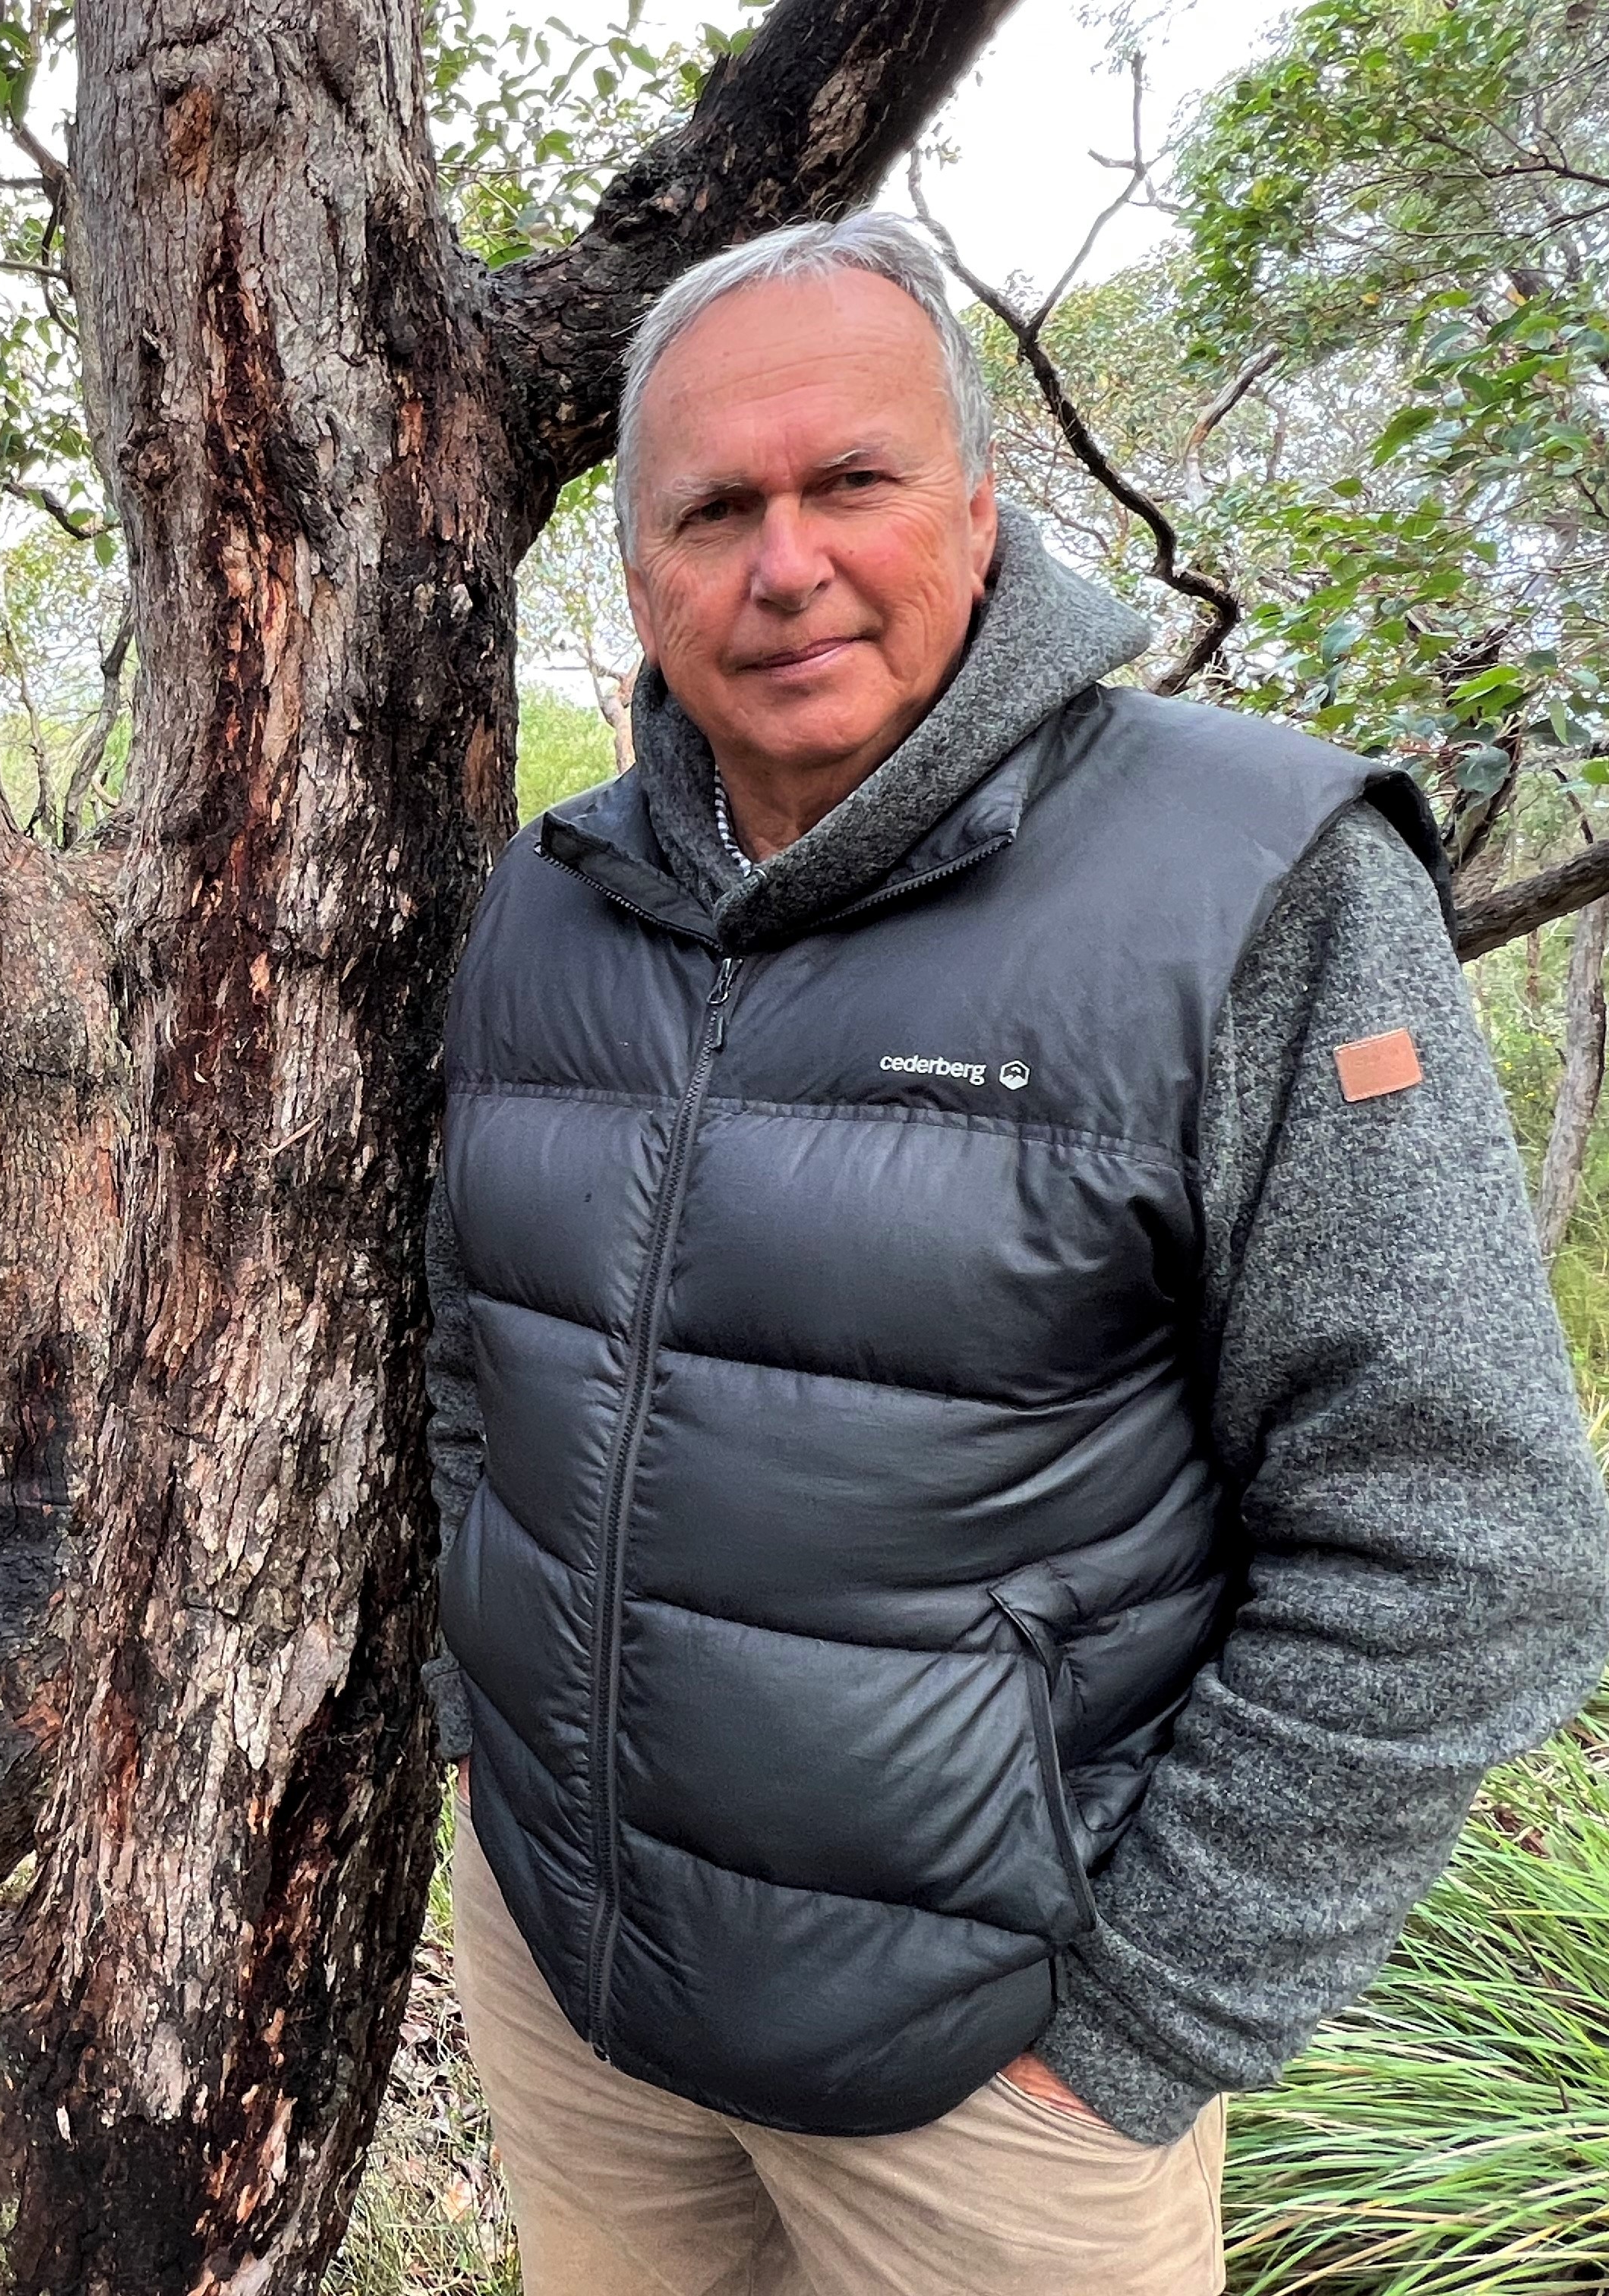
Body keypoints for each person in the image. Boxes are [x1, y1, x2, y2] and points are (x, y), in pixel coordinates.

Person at [421, 210, 1609, 2296]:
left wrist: (1135, 2037)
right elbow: (470, 1369)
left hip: (991, 2095)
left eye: (849, 482)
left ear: (978, 507)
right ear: (637, 577)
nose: (784, 562)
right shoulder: (550, 907)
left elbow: (1463, 1531)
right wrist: (477, 1736)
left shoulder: (1251, 879)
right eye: (714, 510)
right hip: (574, 1990)